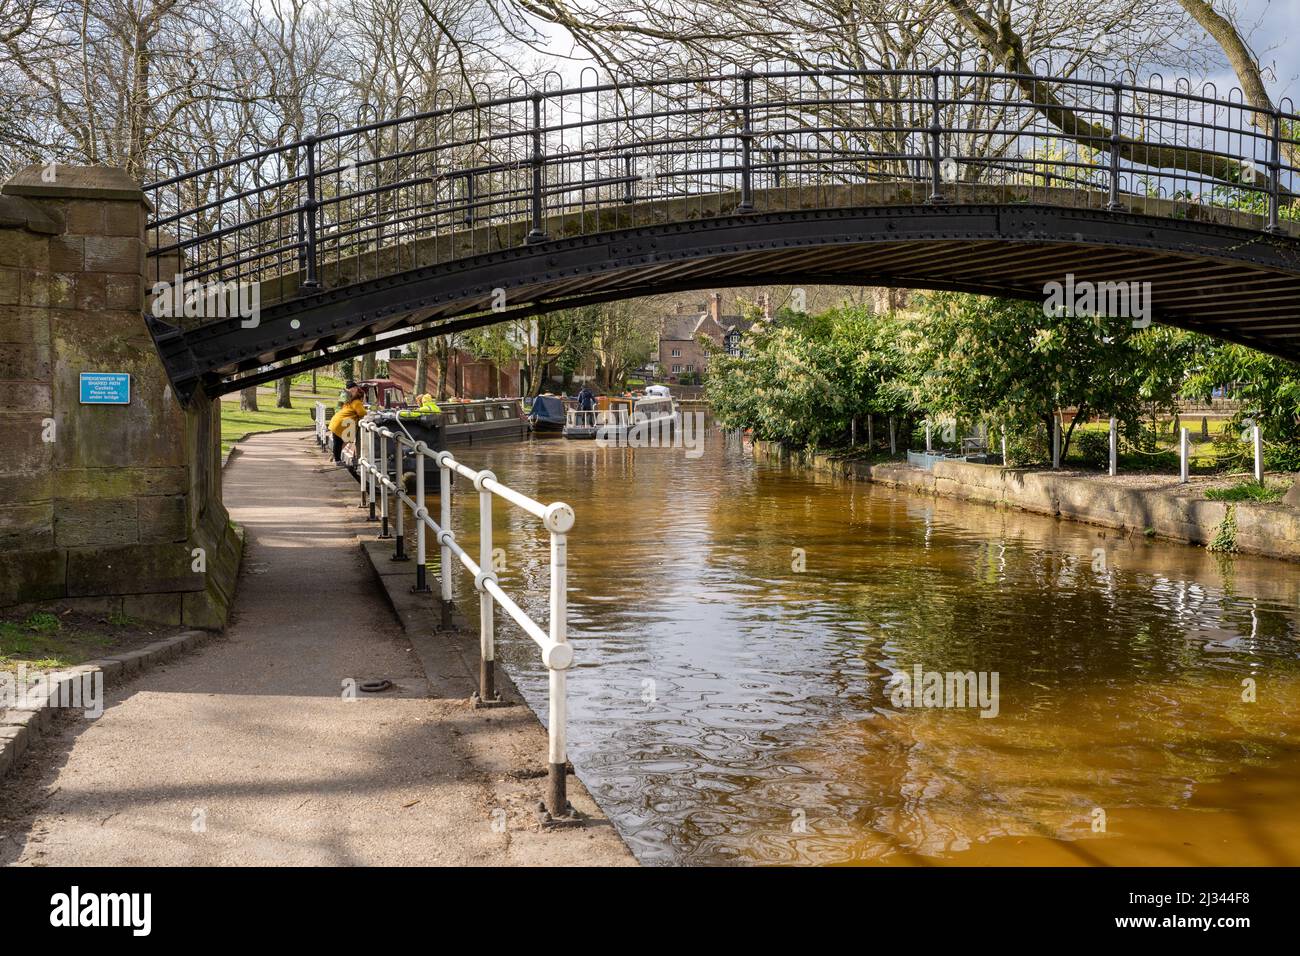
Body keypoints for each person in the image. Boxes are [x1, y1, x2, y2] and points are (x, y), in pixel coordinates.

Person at [329, 382, 366, 464]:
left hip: (336, 420)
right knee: (339, 442)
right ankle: (337, 461)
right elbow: (362, 413)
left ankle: (335, 457)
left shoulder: (348, 402)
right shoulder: (357, 402)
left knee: (339, 442)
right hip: (340, 423)